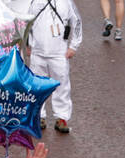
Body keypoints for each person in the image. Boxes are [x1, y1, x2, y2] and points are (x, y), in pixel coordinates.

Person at [23, 0, 83, 133]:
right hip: (37, 52)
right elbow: (26, 22)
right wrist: (27, 43)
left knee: (62, 86)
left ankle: (62, 117)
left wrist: (74, 46)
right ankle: (38, 116)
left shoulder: (66, 2)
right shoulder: (33, 2)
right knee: (36, 87)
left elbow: (76, 21)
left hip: (59, 53)